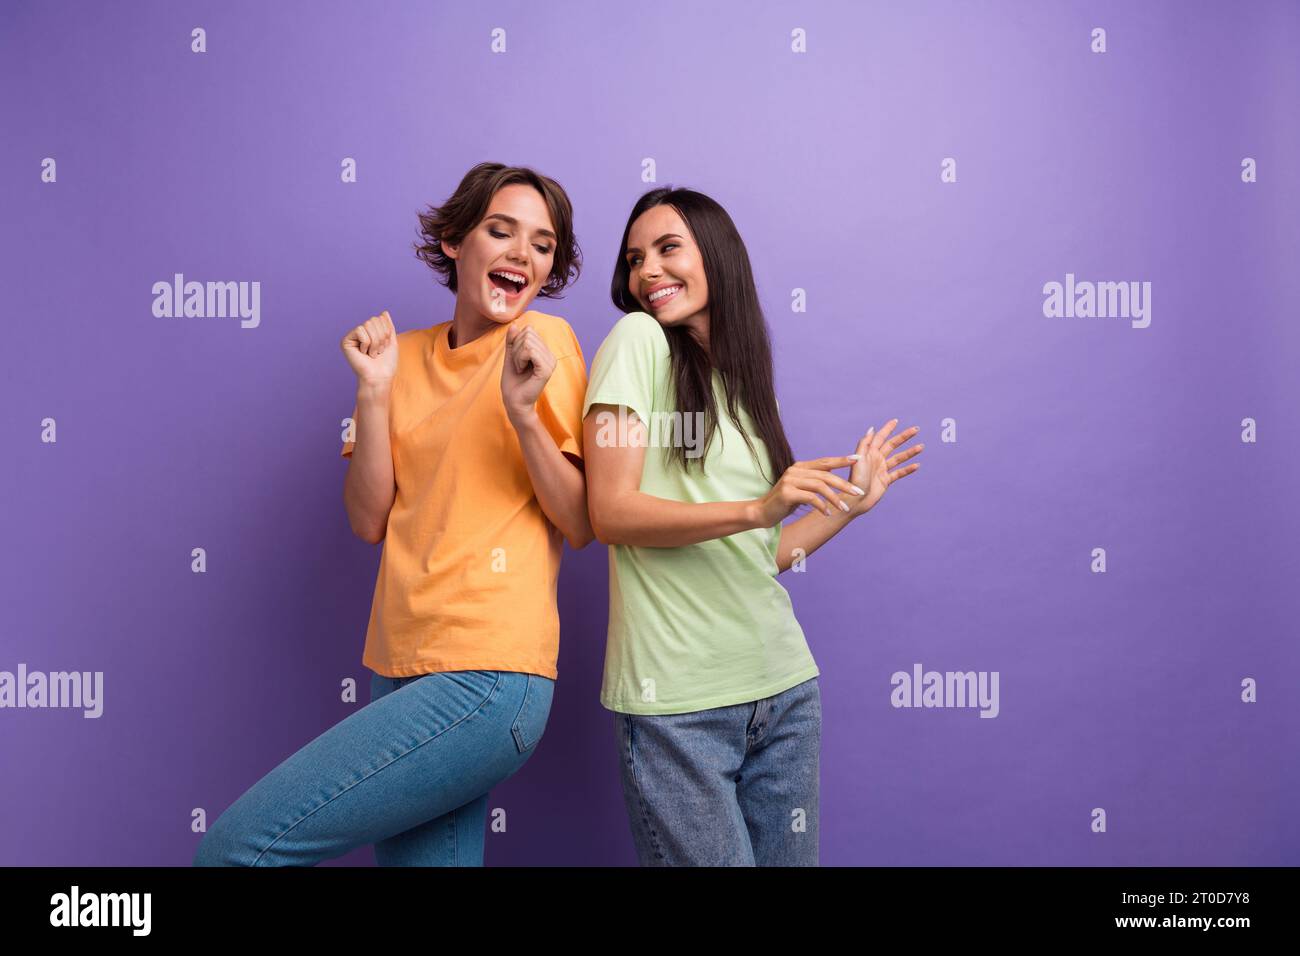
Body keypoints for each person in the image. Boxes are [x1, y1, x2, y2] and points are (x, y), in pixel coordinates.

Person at [193, 162, 592, 867]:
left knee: (232, 853)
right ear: (453, 242)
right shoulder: (397, 358)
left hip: (488, 674)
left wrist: (525, 414)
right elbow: (368, 519)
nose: (521, 255)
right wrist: (374, 393)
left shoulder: (543, 344)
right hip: (398, 669)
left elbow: (581, 521)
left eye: (541, 245)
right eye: (500, 232)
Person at [582, 186, 923, 866]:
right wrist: (757, 508)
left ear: (717, 255)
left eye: (667, 248)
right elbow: (610, 512)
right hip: (679, 705)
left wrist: (850, 504)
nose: (647, 271)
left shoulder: (742, 381)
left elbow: (760, 555)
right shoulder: (637, 341)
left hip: (785, 692)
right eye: (634, 259)